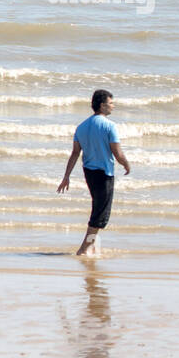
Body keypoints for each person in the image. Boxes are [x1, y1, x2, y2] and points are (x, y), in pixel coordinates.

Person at [58, 89, 130, 256]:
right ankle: (84, 248)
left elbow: (75, 153)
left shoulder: (82, 126)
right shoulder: (109, 126)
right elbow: (117, 152)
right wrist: (126, 164)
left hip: (89, 173)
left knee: (97, 208)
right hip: (104, 174)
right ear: (102, 105)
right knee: (100, 215)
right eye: (111, 103)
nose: (113, 106)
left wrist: (66, 176)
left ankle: (93, 246)